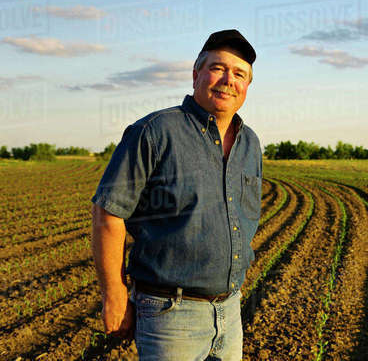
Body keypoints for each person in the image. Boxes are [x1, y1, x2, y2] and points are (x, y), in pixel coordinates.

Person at [91, 29, 262, 361]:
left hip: (230, 309)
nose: (228, 80)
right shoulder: (154, 132)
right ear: (196, 73)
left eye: (239, 74)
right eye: (218, 68)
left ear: (247, 87)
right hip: (171, 315)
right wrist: (114, 293)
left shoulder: (250, 143)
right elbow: (108, 214)